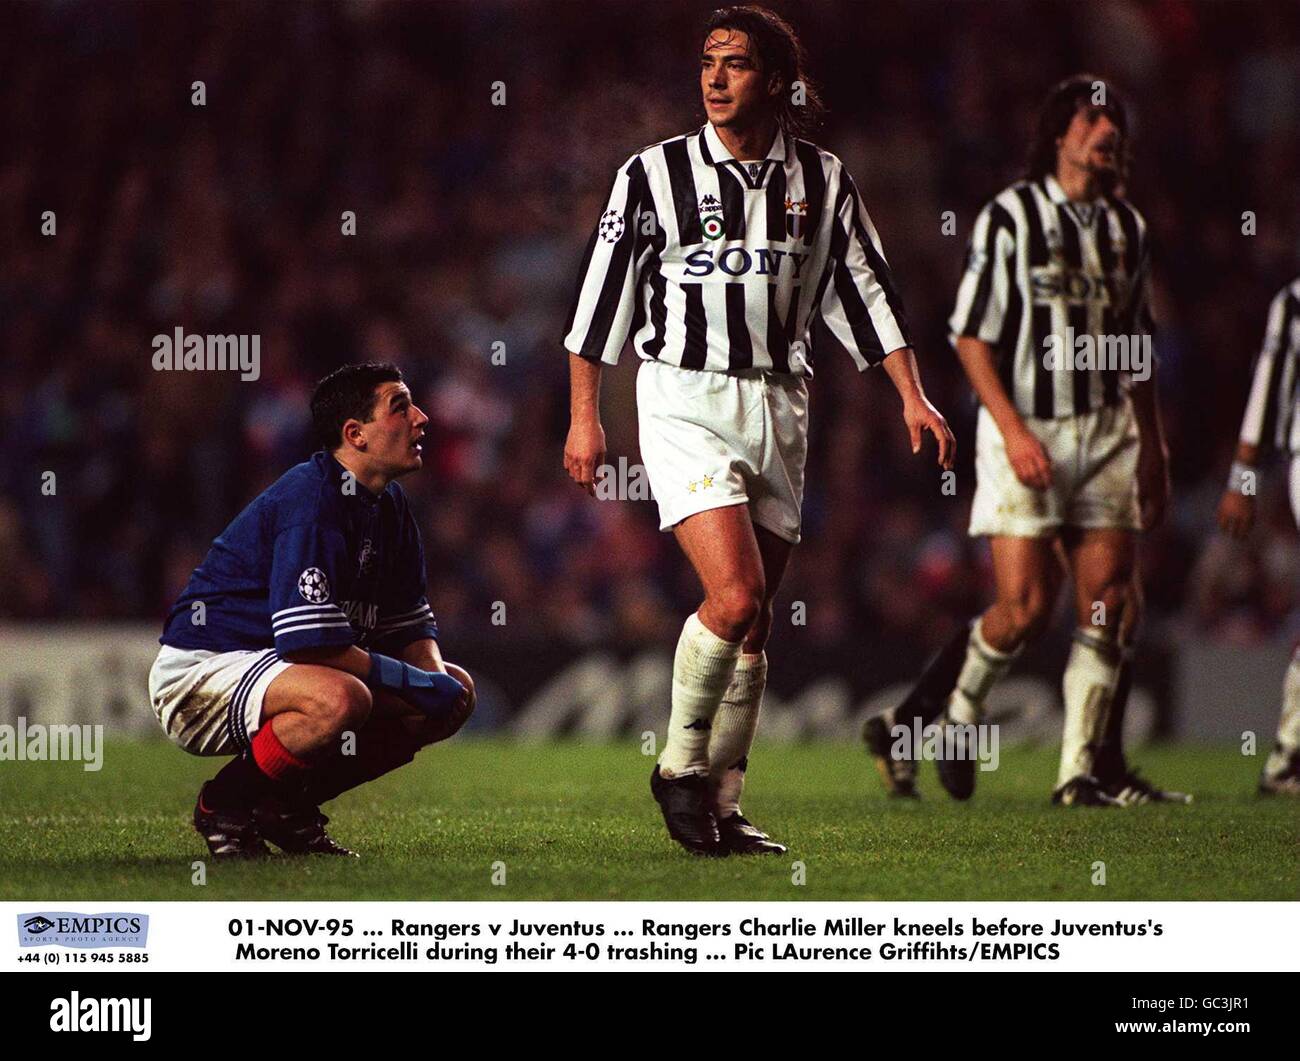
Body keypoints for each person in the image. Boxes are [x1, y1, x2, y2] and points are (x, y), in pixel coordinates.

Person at [562, 6, 954, 854]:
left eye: (734, 64)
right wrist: (585, 416)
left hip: (781, 402)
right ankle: (677, 772)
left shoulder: (824, 180)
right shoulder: (651, 175)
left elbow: (868, 293)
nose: (713, 78)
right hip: (681, 395)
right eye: (707, 62)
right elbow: (599, 302)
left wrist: (912, 397)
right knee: (734, 595)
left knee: (757, 620)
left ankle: (727, 803)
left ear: (774, 80)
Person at [866, 75, 1187, 807]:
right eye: (1093, 118)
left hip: (1107, 431)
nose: (1108, 131)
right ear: (1060, 135)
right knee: (1025, 607)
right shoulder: (1010, 218)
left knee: (1107, 599)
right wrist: (1011, 432)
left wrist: (1155, 446)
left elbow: (1137, 346)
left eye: (1115, 122)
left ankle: (1078, 773)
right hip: (1029, 429)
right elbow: (971, 334)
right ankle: (955, 716)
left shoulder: (1127, 228)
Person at [148, 362, 474, 858]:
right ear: (355, 434)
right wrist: (415, 684)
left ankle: (283, 805)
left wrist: (432, 683)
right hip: (203, 668)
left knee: (457, 693)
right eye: (400, 406)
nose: (421, 418)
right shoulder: (311, 498)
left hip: (278, 668)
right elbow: (311, 642)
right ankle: (224, 803)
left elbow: (412, 625)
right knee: (342, 698)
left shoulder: (390, 507)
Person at [1217, 275, 1300, 796]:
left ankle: (1289, 755)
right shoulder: (1296, 299)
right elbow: (1268, 391)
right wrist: (1243, 481)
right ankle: (1289, 755)